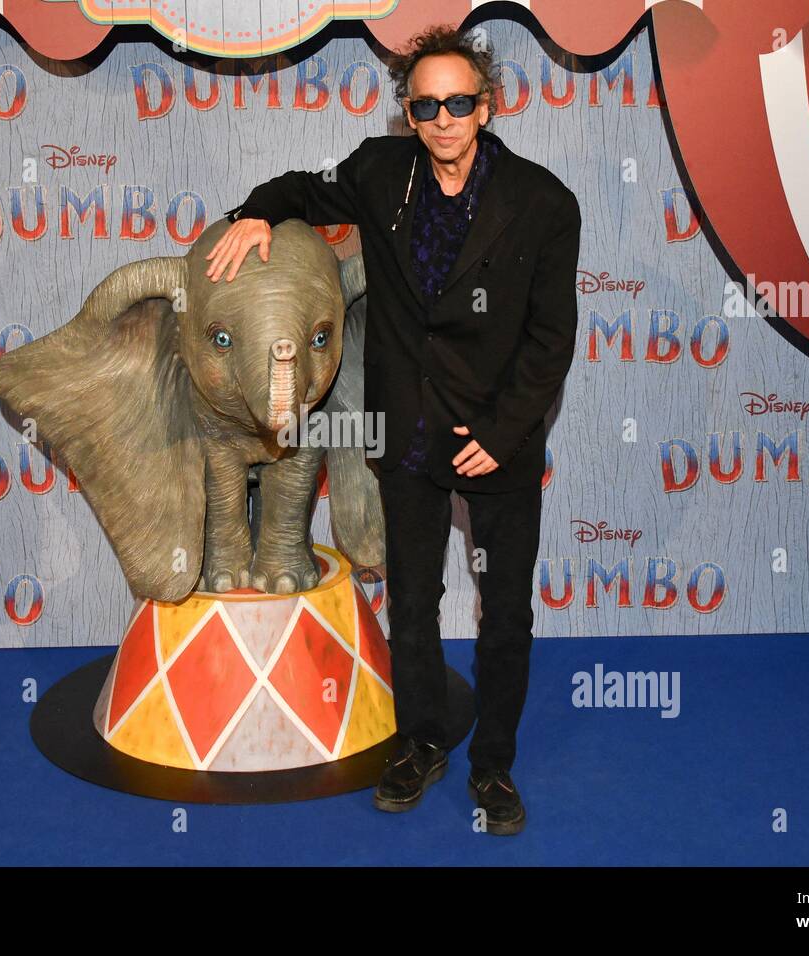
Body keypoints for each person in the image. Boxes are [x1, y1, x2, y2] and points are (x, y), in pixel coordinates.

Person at [205, 24, 581, 836]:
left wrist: (509, 430)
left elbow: (552, 340)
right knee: (412, 601)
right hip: (409, 435)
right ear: (407, 112)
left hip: (496, 439)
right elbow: (304, 187)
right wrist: (254, 214)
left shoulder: (545, 203)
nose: (442, 118)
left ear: (486, 104)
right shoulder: (381, 175)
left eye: (458, 102)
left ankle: (494, 766)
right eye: (425, 104)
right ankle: (420, 743)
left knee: (505, 611)